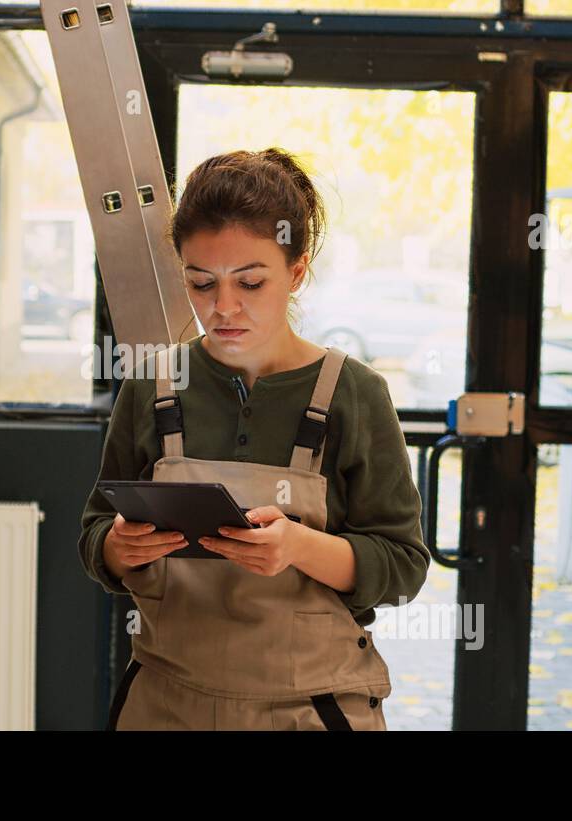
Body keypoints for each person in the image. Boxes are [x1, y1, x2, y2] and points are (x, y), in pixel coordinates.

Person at [77, 147, 430, 730]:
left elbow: (402, 566)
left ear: (296, 271)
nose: (223, 308)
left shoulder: (354, 394)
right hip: (166, 703)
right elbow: (94, 534)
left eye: (251, 281)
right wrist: (118, 549)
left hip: (310, 708)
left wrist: (298, 547)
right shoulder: (152, 385)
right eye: (201, 282)